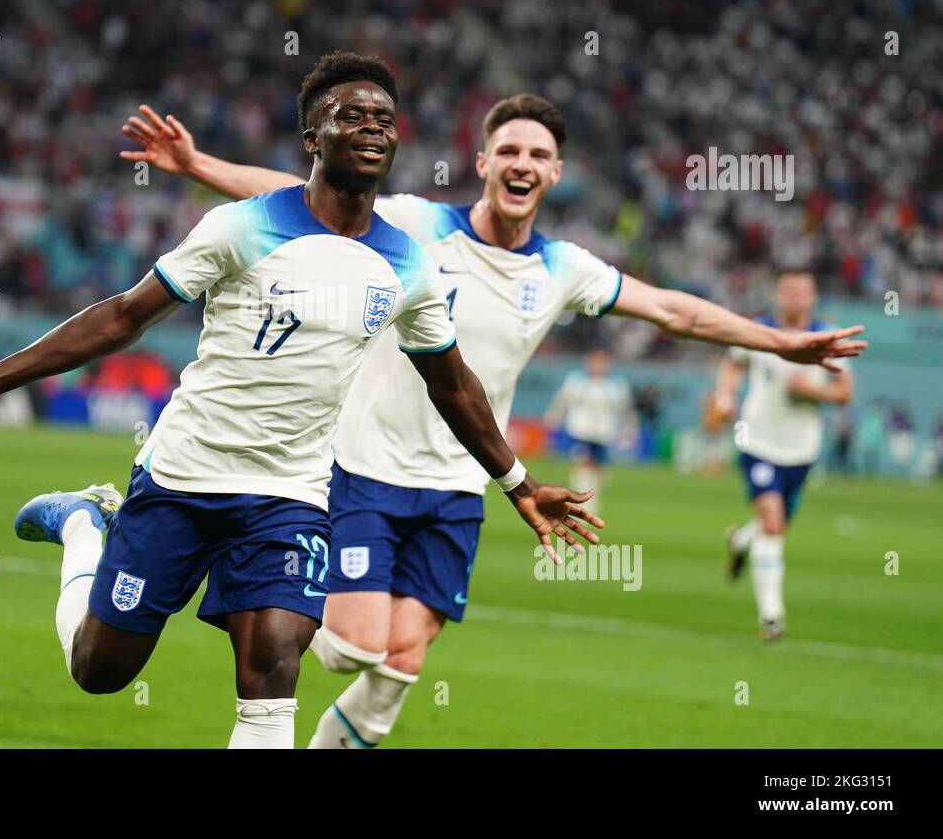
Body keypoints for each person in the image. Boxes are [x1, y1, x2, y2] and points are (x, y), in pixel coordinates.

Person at [0, 53, 599, 749]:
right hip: (184, 479)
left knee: (273, 671)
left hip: (289, 497)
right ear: (313, 139)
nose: (374, 126)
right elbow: (124, 316)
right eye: (352, 115)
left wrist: (518, 483)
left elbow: (452, 382)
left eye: (385, 116)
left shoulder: (409, 263)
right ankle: (81, 527)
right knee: (100, 672)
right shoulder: (243, 227)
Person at [119, 93, 866, 747]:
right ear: (482, 162)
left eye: (538, 153)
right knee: (352, 649)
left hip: (457, 491)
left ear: (554, 174)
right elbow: (294, 191)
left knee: (404, 661)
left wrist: (781, 341)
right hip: (362, 474)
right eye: (508, 148)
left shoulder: (562, 268)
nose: (523, 161)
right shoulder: (415, 226)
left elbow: (673, 309)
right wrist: (196, 165)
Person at [715, 270, 855, 640]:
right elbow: (732, 362)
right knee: (773, 524)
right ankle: (772, 617)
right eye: (788, 291)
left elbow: (844, 393)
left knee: (773, 528)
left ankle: (740, 542)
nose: (794, 298)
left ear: (813, 297)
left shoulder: (826, 336)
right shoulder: (759, 330)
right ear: (778, 294)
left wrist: (811, 391)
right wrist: (726, 395)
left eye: (802, 292)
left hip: (801, 449)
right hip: (757, 441)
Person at [543, 349, 636, 513]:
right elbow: (562, 400)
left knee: (598, 468)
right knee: (582, 463)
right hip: (580, 429)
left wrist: (629, 427)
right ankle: (580, 498)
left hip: (603, 432)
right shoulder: (577, 380)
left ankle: (593, 495)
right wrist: (553, 417)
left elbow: (626, 407)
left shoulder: (616, 385)